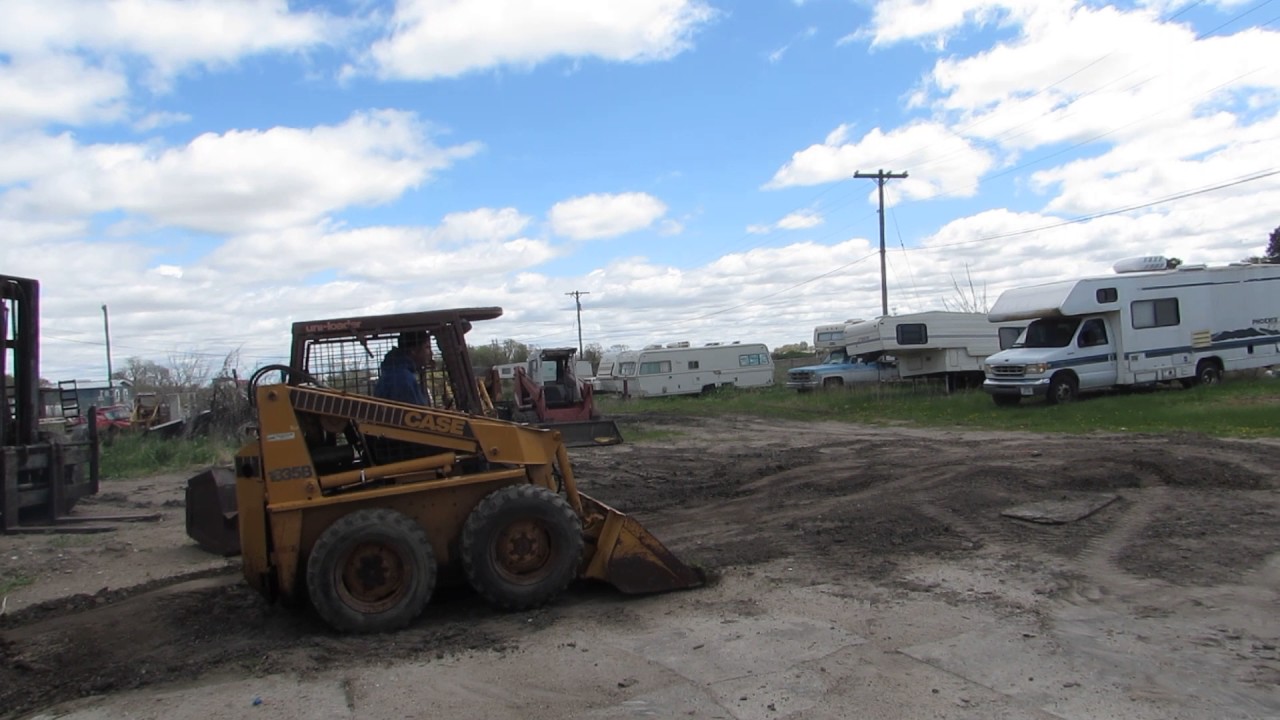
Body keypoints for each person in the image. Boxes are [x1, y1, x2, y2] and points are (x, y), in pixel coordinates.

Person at [373, 330, 434, 406]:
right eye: (427, 347)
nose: (431, 353)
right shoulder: (403, 379)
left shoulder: (395, 373)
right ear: (413, 350)